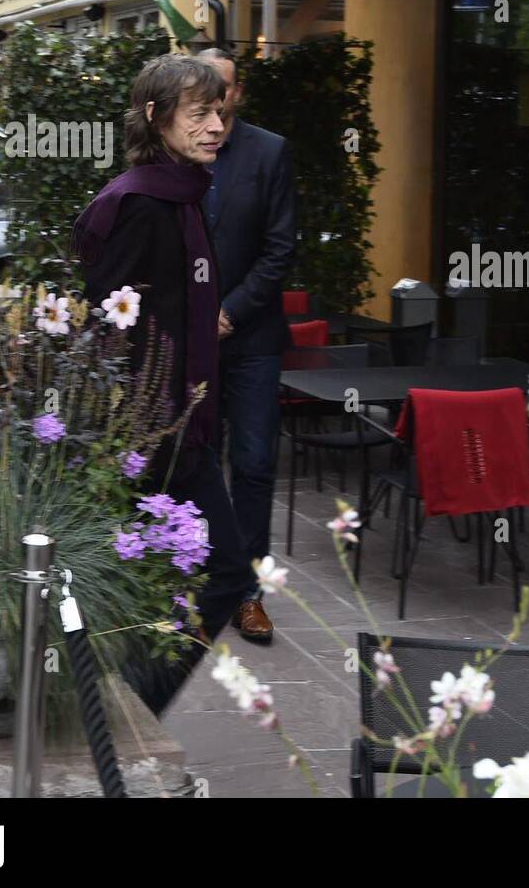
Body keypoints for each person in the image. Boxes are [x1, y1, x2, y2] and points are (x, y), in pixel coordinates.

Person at [73, 53, 255, 714]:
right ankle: (131, 712)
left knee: (166, 573)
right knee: (226, 572)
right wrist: (137, 426)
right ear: (157, 117)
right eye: (200, 113)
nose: (216, 125)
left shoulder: (182, 194)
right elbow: (105, 324)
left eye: (221, 112)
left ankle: (118, 706)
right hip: (155, 429)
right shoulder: (141, 204)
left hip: (183, 423)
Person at [196, 46, 297, 645]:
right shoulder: (176, 150)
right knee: (196, 463)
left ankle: (249, 592)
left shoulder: (269, 152)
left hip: (252, 335)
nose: (214, 98)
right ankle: (205, 585)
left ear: (238, 93)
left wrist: (229, 313)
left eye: (223, 87)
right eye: (202, 86)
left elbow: (281, 248)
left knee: (254, 466)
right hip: (191, 340)